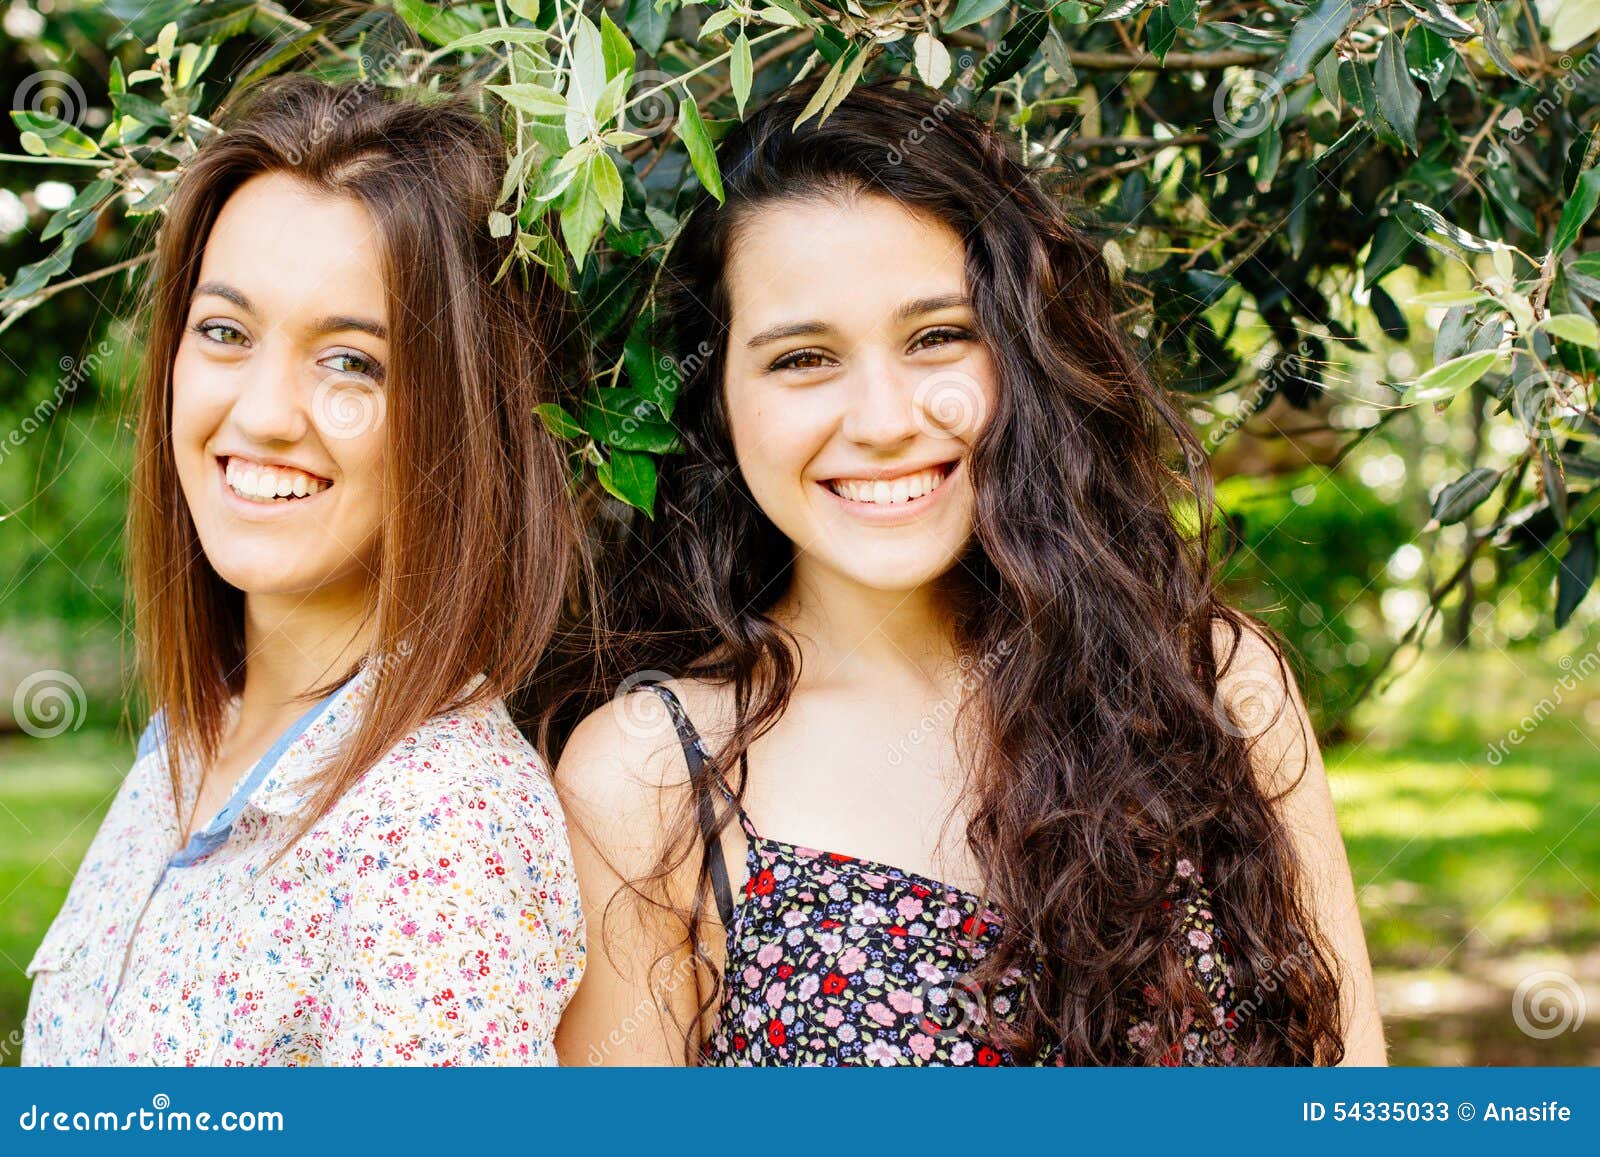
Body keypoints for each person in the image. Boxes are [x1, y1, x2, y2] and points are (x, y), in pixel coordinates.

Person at [550, 80, 1385, 1066]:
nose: (883, 419)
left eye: (937, 336)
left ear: (1022, 352)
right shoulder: (652, 775)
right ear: (718, 399)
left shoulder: (1212, 686)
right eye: (802, 358)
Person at [23, 77, 583, 1066]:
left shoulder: (439, 837)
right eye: (226, 333)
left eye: (351, 360)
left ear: (461, 413)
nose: (266, 412)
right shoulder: (195, 739)